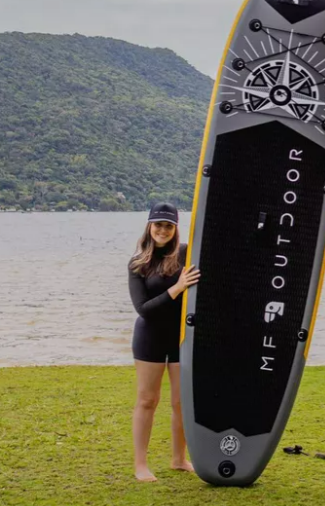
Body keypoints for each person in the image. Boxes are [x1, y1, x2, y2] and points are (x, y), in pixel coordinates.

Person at [128, 202, 201, 482]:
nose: (162, 230)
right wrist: (177, 288)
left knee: (182, 402)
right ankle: (140, 465)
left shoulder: (186, 255)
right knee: (148, 400)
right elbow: (144, 309)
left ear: (176, 228)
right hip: (150, 337)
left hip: (182, 336)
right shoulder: (138, 264)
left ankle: (179, 459)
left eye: (168, 225)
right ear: (149, 226)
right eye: (158, 224)